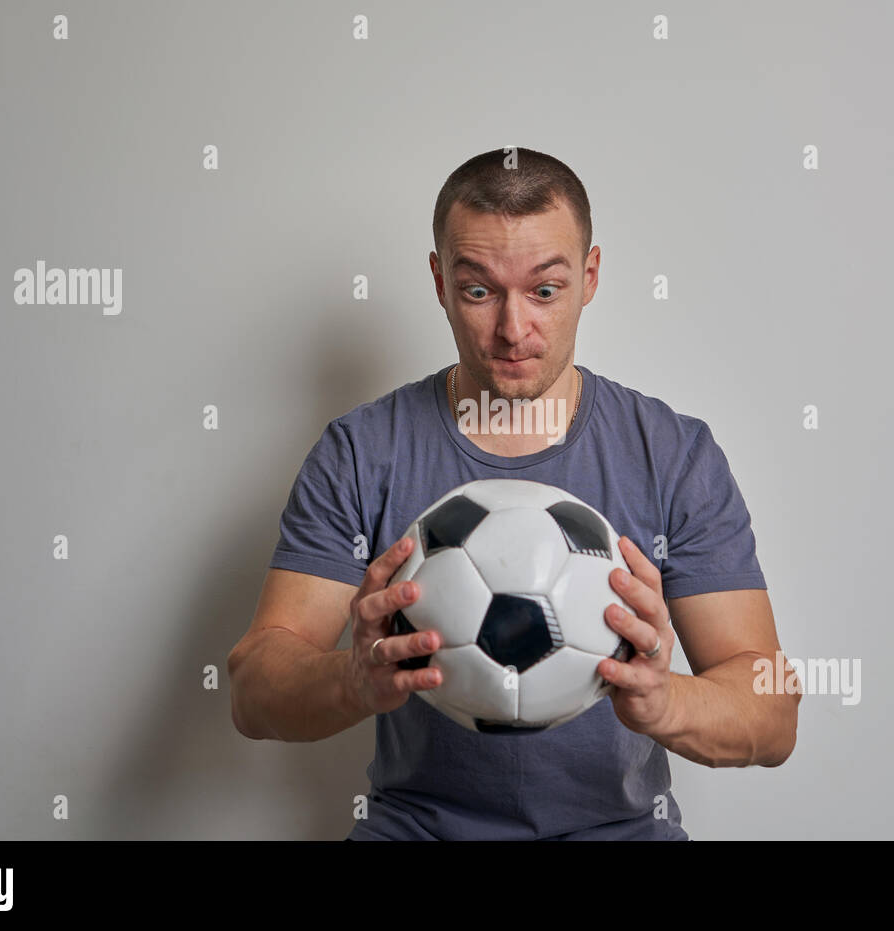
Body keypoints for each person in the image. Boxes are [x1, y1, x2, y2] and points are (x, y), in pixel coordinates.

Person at [227, 147, 800, 840]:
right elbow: (254, 689)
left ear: (589, 277)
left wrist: (665, 698)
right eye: (478, 291)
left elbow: (772, 715)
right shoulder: (362, 451)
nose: (512, 328)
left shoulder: (673, 454)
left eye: (544, 290)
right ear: (439, 281)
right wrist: (351, 680)